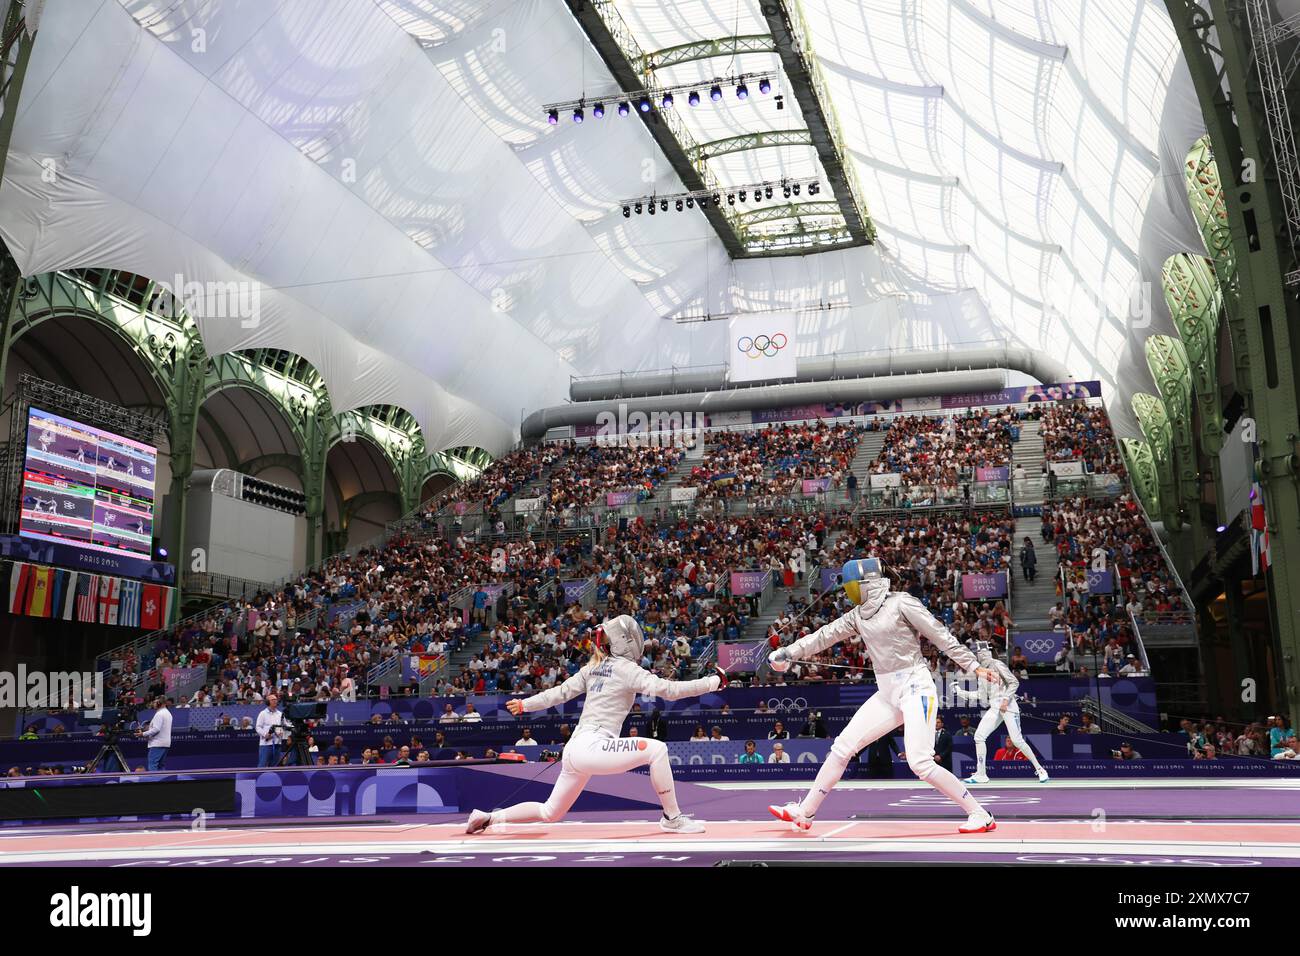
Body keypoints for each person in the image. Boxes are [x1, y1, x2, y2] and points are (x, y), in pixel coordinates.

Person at [766, 558, 1001, 834]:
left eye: (851, 586)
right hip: (888, 692)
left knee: (920, 762)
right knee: (843, 747)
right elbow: (824, 636)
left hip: (916, 686)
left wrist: (973, 666)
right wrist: (788, 653)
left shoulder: (901, 603)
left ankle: (980, 814)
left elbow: (940, 635)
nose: (848, 592)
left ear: (866, 584)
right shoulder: (857, 615)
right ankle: (805, 813)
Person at [466, 615, 726, 835]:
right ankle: (673, 819)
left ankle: (488, 817)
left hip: (576, 749)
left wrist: (525, 705)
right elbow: (669, 690)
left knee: (550, 812)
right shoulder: (625, 669)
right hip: (594, 747)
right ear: (625, 642)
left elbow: (559, 693)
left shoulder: (592, 668)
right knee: (657, 750)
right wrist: (713, 682)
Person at [955, 641, 1049, 784]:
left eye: (983, 652)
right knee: (979, 737)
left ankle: (1041, 770)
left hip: (1008, 706)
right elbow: (981, 695)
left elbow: (1013, 682)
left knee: (1017, 740)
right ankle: (981, 774)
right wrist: (962, 693)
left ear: (988, 652)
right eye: (979, 653)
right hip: (995, 707)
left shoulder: (997, 664)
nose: (981, 655)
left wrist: (1005, 700)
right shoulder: (980, 672)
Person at [136, 696, 173, 771]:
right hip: (165, 743)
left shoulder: (159, 714)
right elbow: (160, 728)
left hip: (157, 744)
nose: (153, 704)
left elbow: (156, 729)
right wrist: (145, 730)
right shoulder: (168, 713)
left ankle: (154, 781)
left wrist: (142, 734)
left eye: (155, 702)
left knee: (152, 764)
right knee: (160, 765)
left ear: (160, 703)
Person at [255, 694, 286, 767]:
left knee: (275, 765)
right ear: (268, 702)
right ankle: (261, 778)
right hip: (265, 744)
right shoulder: (262, 713)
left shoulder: (280, 714)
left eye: (276, 699)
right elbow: (258, 727)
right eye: (273, 700)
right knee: (263, 764)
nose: (275, 701)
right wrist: (265, 734)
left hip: (277, 743)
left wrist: (281, 732)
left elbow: (284, 726)